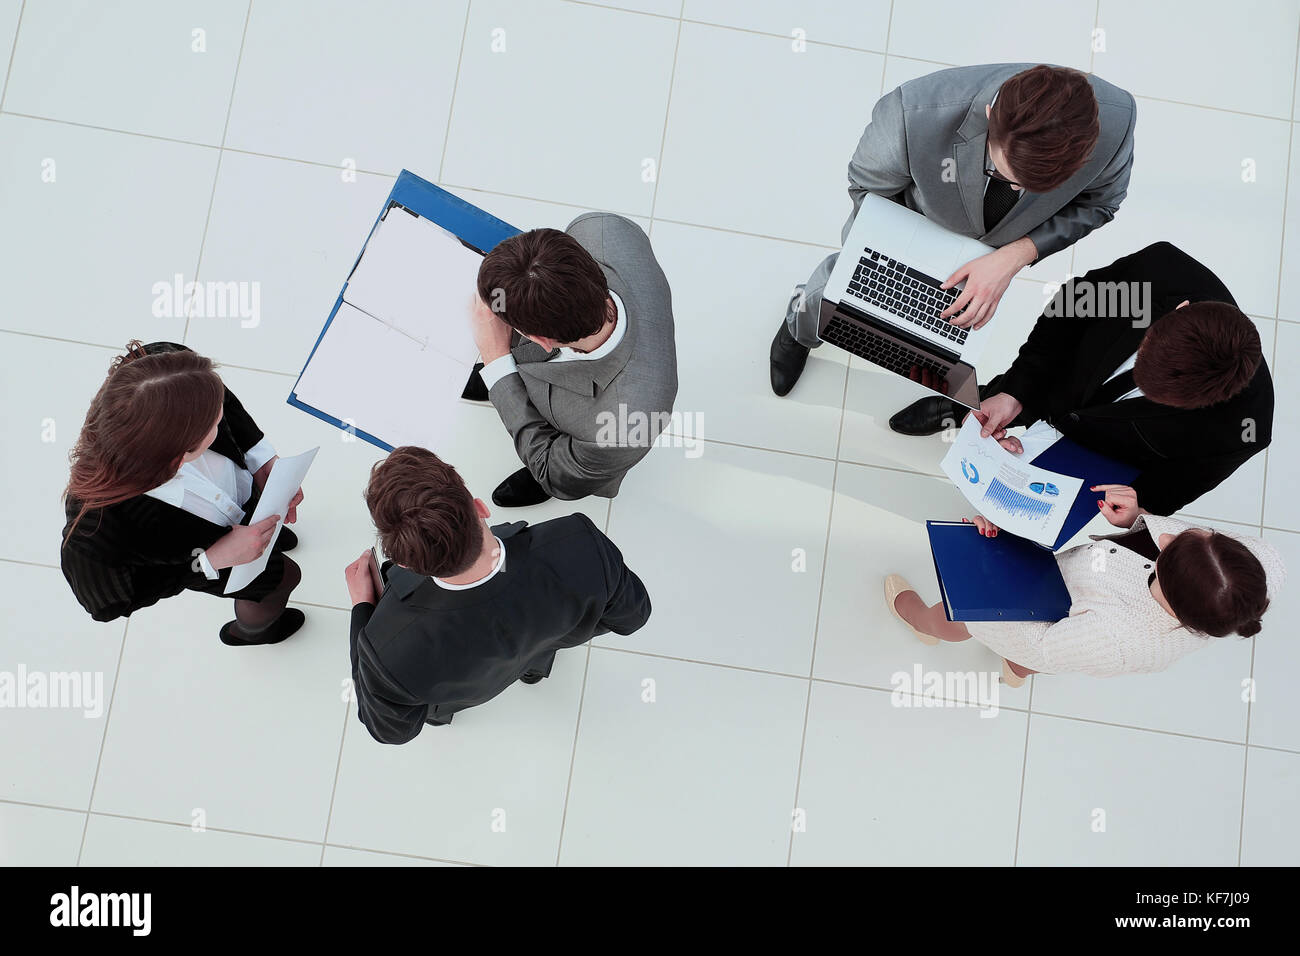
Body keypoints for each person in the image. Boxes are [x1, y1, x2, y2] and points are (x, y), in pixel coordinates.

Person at [771, 62, 1136, 397]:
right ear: (989, 117)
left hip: (996, 258)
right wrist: (907, 262)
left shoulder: (1117, 118)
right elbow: (868, 192)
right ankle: (798, 326)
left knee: (939, 338)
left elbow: (1101, 203)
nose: (1014, 191)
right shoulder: (911, 113)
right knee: (837, 292)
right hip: (914, 227)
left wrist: (1016, 254)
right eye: (1002, 175)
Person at [892, 242, 1273, 520]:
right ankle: (960, 406)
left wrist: (1128, 509)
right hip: (1054, 382)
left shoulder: (1241, 431)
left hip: (1085, 463)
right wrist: (1015, 390)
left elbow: (1165, 492)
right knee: (989, 399)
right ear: (1180, 308)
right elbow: (1071, 307)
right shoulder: (1165, 271)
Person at [344, 446, 652, 744]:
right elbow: (633, 616)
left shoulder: (388, 651)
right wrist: (566, 628)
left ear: (404, 563)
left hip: (458, 693)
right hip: (542, 646)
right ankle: (531, 671)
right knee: (532, 657)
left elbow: (390, 730)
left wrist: (362, 609)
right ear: (480, 507)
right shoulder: (579, 544)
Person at [60, 341, 306, 646]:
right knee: (283, 577)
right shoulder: (93, 531)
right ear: (179, 453)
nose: (223, 415)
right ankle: (254, 630)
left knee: (268, 524)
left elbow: (221, 400)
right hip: (203, 551)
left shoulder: (161, 367)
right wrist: (208, 561)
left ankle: (269, 535)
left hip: (240, 496)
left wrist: (261, 458)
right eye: (214, 424)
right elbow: (109, 605)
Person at [884, 513, 1284, 683]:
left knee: (962, 619)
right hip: (1072, 627)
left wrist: (986, 561)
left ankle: (924, 623)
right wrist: (1135, 517)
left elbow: (1036, 642)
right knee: (1040, 659)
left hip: (1048, 624)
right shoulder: (1260, 566)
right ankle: (1015, 671)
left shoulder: (1113, 640)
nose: (1163, 533)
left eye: (1167, 550)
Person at [461, 213, 678, 507]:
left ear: (539, 340)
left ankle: (504, 384)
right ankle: (504, 382)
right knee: (507, 374)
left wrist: (496, 361)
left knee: (555, 469)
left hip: (576, 455)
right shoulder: (598, 228)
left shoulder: (620, 430)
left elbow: (556, 472)